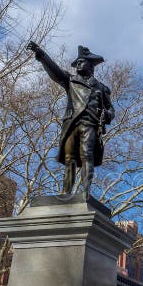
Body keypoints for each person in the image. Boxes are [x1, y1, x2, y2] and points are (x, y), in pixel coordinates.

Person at [27, 42, 114, 199]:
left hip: (90, 124)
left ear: (91, 64)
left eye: (81, 61)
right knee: (69, 159)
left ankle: (85, 192)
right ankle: (66, 192)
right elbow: (55, 71)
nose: (78, 64)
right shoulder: (70, 80)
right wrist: (41, 55)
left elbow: (110, 109)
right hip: (71, 124)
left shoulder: (101, 87)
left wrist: (107, 115)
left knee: (87, 155)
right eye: (77, 62)